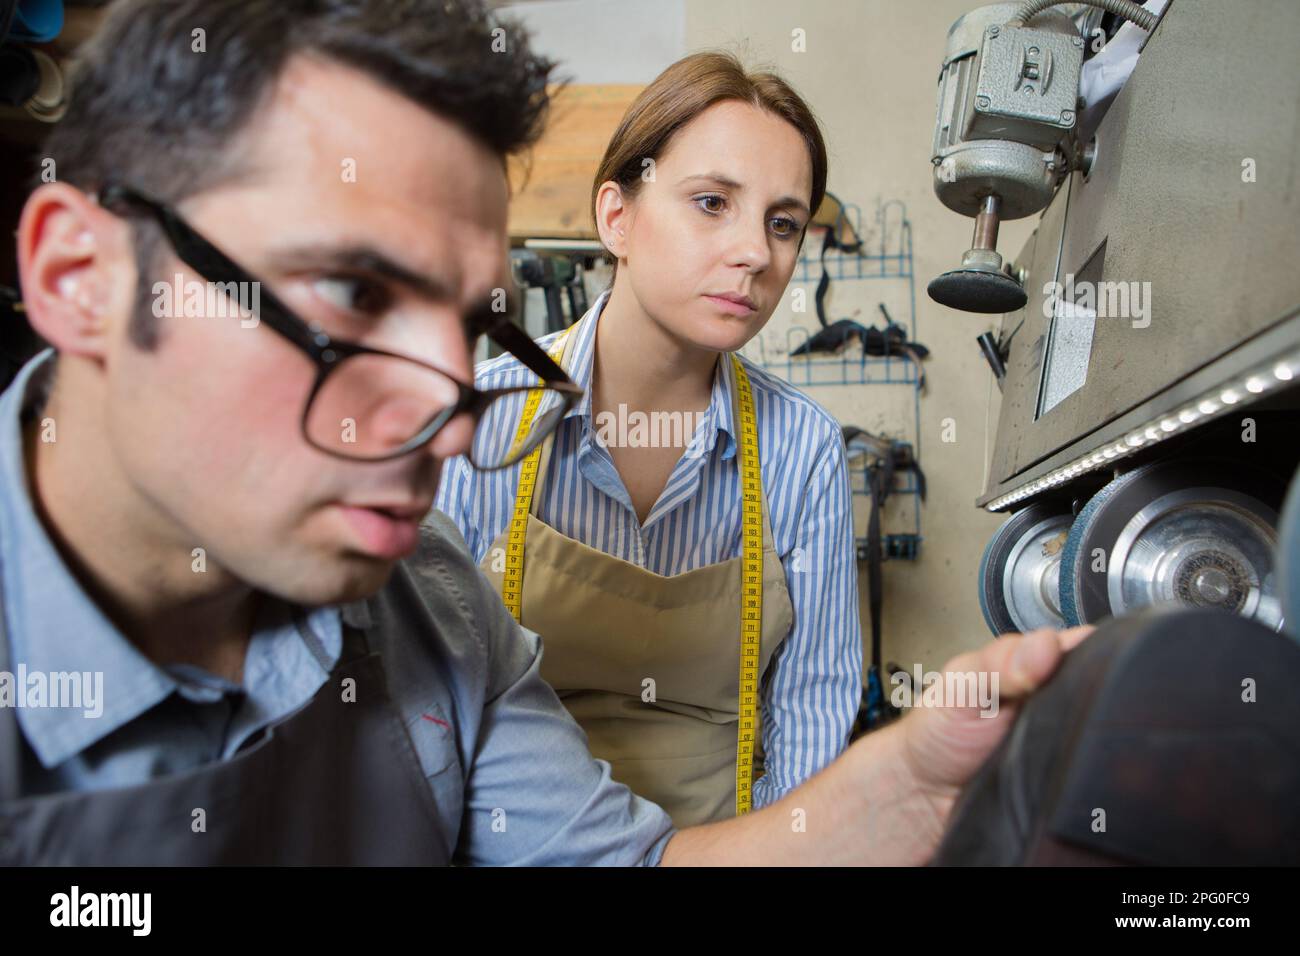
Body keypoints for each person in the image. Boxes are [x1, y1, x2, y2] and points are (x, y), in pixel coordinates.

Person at [0, 0, 1088, 866]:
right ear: (76, 276)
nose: (450, 421)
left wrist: (911, 783)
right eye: (351, 289)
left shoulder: (435, 615)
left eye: (471, 322)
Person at [436, 52, 861, 827]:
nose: (756, 254)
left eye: (783, 224)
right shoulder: (486, 418)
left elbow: (812, 714)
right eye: (711, 202)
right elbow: (432, 703)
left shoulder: (802, 449)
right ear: (616, 217)